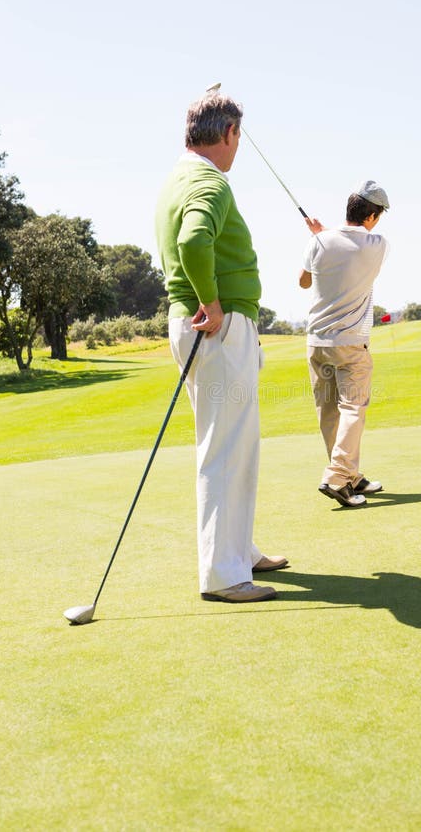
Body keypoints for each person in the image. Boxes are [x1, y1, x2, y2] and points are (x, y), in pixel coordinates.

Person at [155, 90, 287, 602]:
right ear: (229, 133)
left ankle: (239, 551)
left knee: (236, 445)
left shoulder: (178, 177)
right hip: (216, 326)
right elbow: (192, 241)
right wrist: (211, 301)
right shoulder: (209, 181)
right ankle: (223, 575)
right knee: (226, 449)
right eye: (239, 137)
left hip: (203, 327)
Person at [299, 180, 390, 507]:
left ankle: (350, 477)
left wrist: (320, 239)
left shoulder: (320, 242)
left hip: (316, 342)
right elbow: (349, 251)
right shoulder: (378, 244)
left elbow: (304, 281)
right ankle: (337, 477)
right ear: (372, 217)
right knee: (353, 409)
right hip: (351, 343)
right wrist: (323, 238)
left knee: (329, 413)